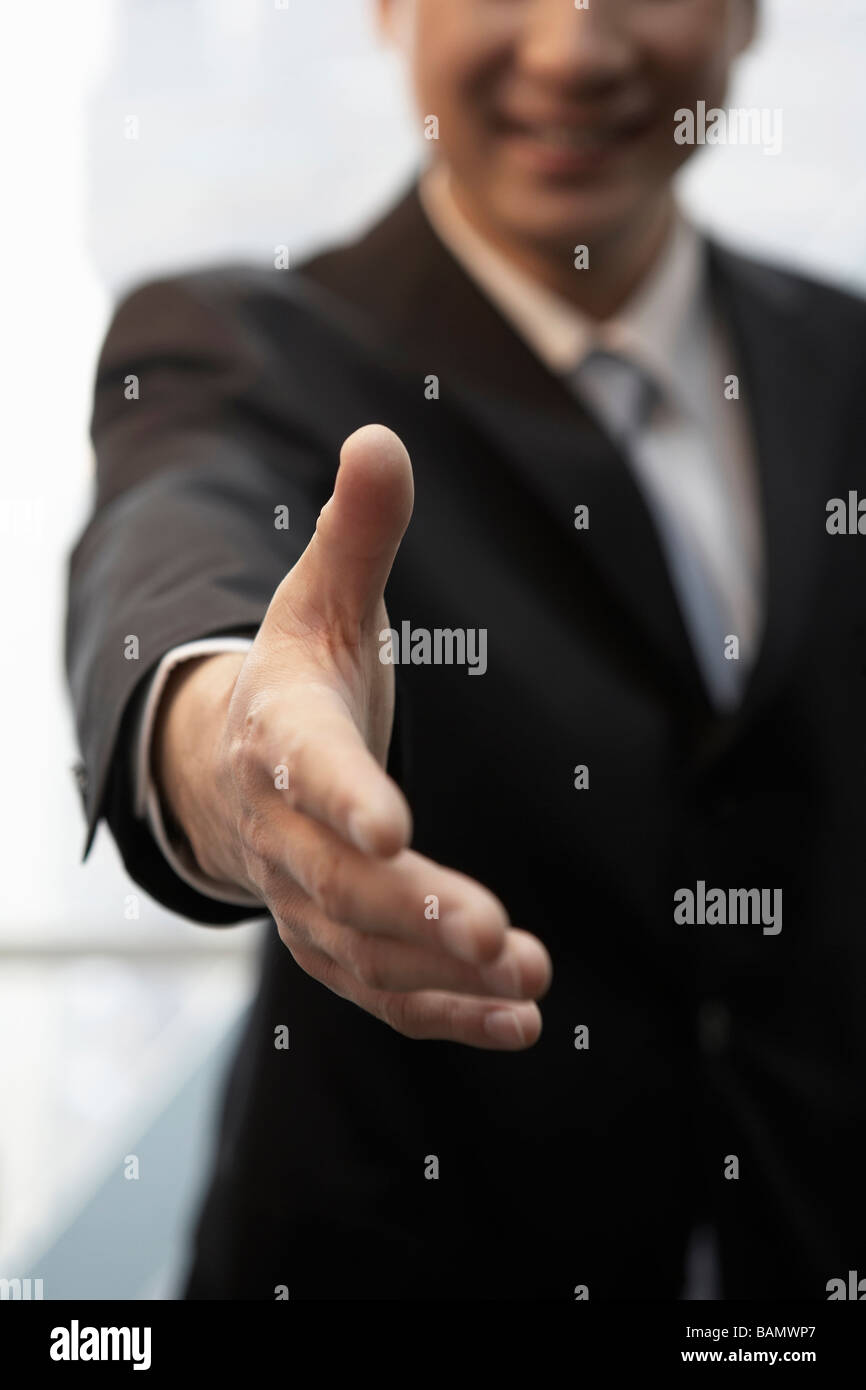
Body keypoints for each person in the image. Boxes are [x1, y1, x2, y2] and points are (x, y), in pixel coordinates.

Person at [66, 0, 866, 1299]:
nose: (571, 48)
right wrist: (232, 753)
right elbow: (173, 555)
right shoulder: (241, 348)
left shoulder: (839, 358)